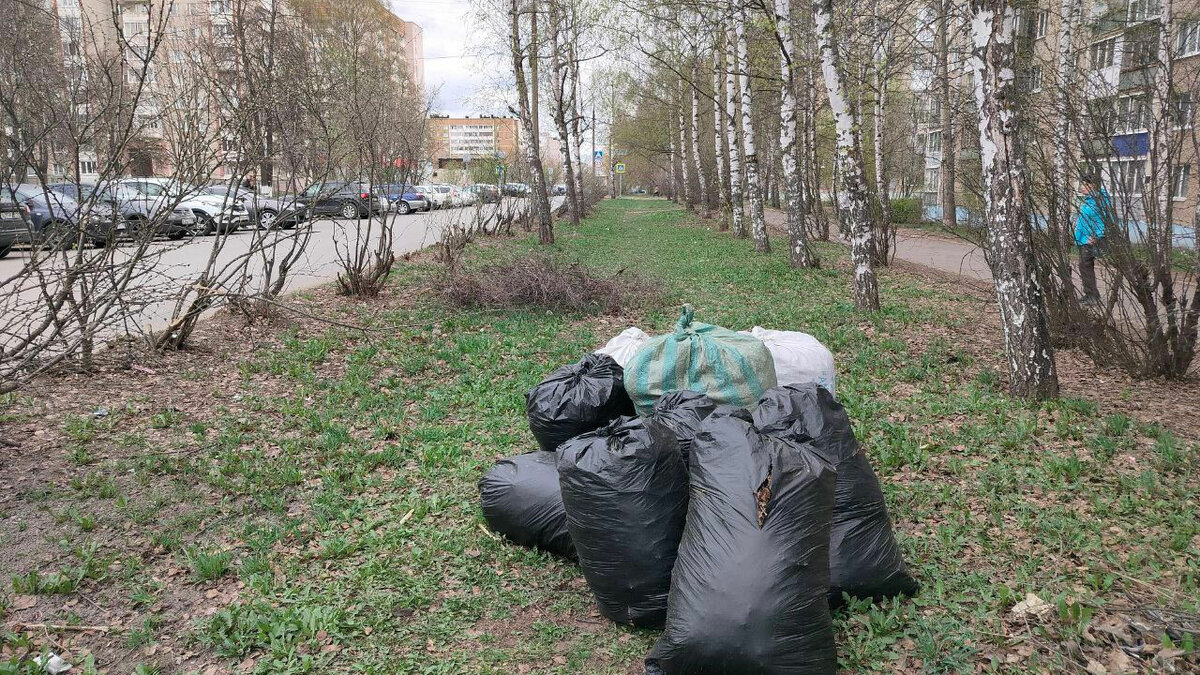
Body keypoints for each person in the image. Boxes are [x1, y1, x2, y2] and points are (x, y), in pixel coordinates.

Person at [1074, 173, 1109, 306]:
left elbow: (1107, 219)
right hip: (1083, 239)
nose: (1081, 187)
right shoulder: (1090, 200)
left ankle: (1092, 296)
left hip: (1090, 240)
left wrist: (1096, 235)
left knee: (1086, 267)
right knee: (1085, 267)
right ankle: (1092, 294)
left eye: (1084, 184)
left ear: (1092, 185)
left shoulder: (1100, 200)